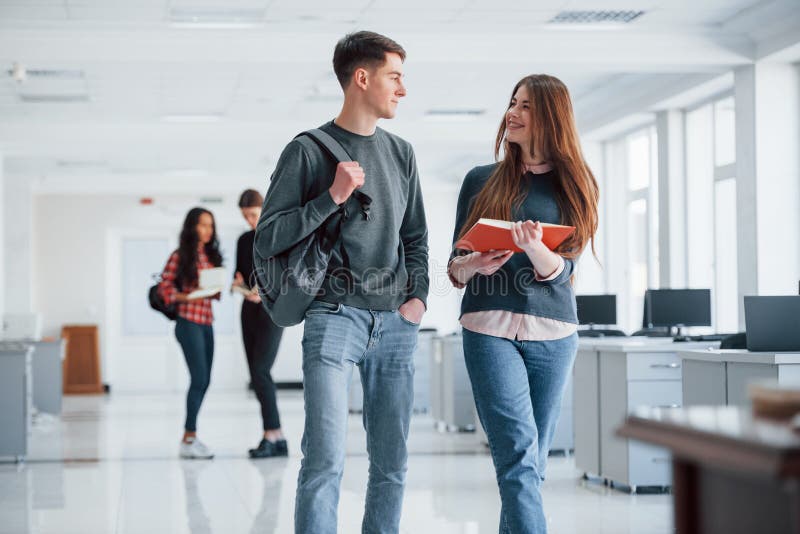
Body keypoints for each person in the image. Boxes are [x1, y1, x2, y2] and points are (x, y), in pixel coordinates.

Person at [254, 31, 429, 534]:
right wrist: (331, 197)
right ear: (362, 77)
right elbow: (267, 238)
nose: (402, 89)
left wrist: (416, 299)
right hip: (333, 318)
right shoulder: (307, 151)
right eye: (395, 76)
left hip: (395, 323)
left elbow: (415, 236)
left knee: (392, 464)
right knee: (325, 460)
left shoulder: (402, 153)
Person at [447, 74, 599, 534]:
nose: (512, 112)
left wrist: (534, 248)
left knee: (530, 466)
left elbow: (566, 271)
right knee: (516, 456)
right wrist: (475, 264)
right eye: (512, 103)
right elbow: (454, 269)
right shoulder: (480, 180)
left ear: (551, 117)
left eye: (525, 106)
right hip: (488, 328)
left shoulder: (576, 184)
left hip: (554, 334)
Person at [159, 207, 224, 459]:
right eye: (203, 225)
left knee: (205, 380)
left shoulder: (210, 256)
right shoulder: (181, 255)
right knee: (199, 379)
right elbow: (164, 287)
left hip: (207, 321)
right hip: (188, 322)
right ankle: (188, 438)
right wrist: (183, 295)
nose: (208, 230)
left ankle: (190, 436)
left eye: (211, 225)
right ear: (192, 227)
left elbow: (211, 292)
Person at [233, 188, 287, 458]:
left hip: (270, 311)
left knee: (261, 371)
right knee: (256, 374)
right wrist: (239, 285)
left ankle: (273, 434)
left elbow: (288, 275)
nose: (250, 221)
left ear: (264, 208)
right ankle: (275, 436)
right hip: (248, 310)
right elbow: (241, 274)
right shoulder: (243, 240)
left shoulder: (279, 234)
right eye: (245, 216)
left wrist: (264, 291)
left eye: (253, 214)